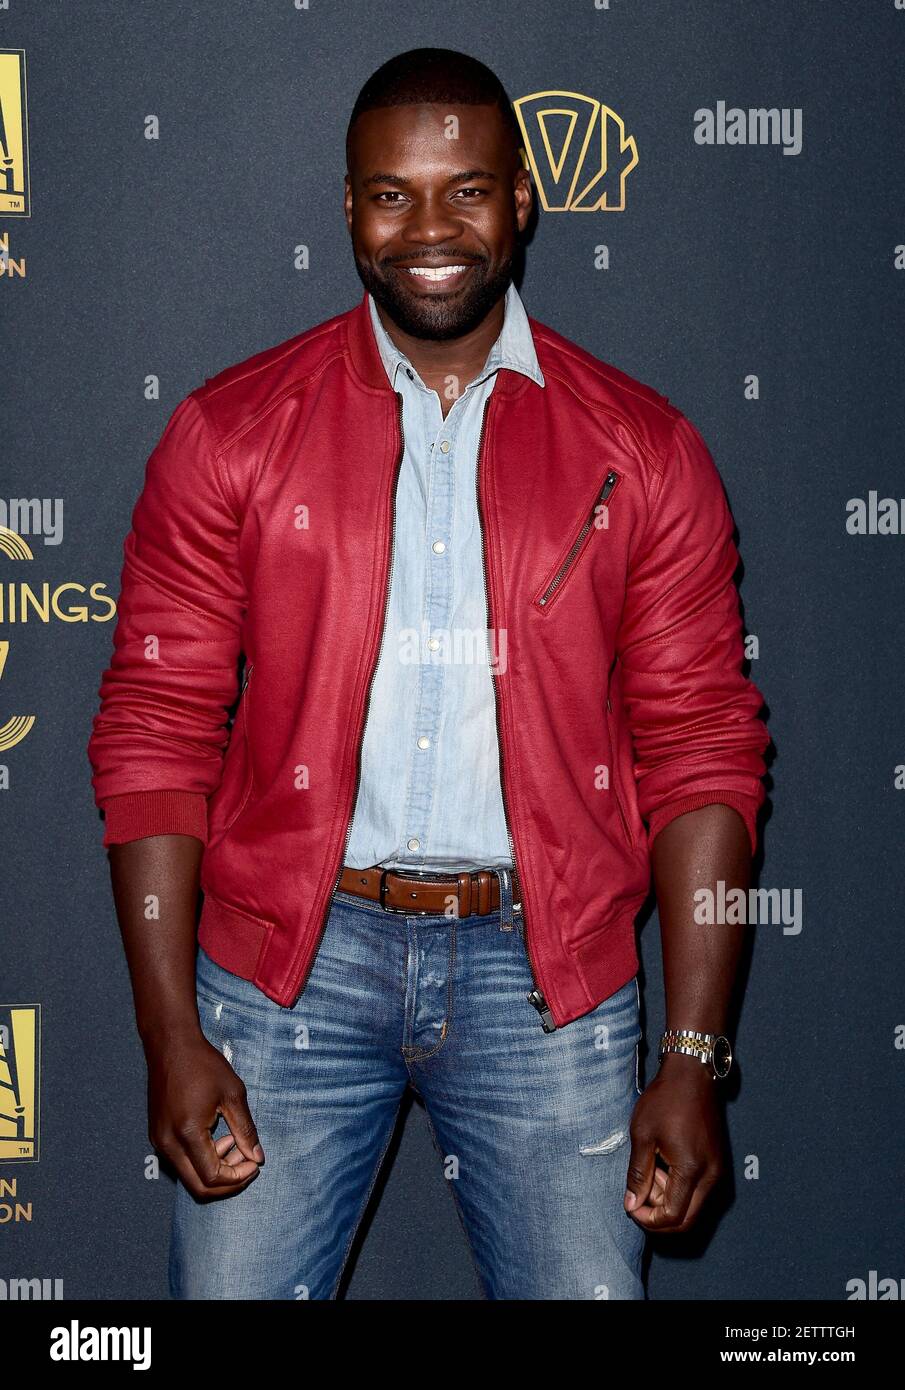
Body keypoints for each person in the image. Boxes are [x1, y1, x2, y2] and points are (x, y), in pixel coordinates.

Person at [87, 47, 770, 1301]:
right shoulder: (229, 434)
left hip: (546, 972)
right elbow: (153, 733)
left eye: (466, 190)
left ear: (522, 201)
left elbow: (702, 751)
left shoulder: (647, 452)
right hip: (288, 960)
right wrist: (170, 1030)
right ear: (348, 211)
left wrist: (689, 1051)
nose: (430, 229)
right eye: (392, 194)